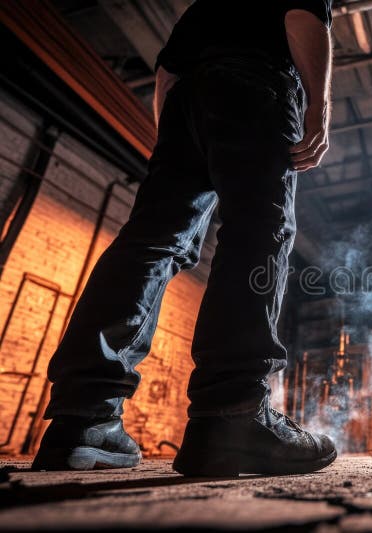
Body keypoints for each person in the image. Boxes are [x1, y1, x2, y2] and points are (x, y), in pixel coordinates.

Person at [33, 0, 337, 476]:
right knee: (257, 232)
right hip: (257, 85)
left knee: (150, 240)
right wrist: (320, 104)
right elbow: (302, 14)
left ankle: (84, 416)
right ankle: (231, 414)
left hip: (184, 103)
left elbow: (167, 75)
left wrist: (174, 143)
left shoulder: (201, 9)